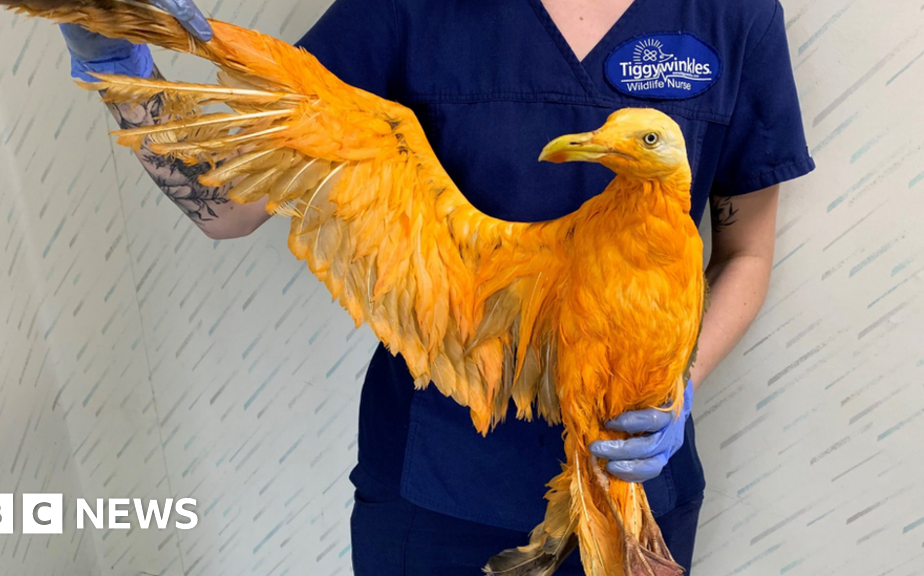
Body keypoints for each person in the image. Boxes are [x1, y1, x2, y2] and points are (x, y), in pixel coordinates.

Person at [58, 0, 815, 573]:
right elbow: (227, 208)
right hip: (436, 486)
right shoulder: (408, 5)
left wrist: (679, 383)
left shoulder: (731, 13)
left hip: (633, 488)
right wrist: (120, 73)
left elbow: (745, 249)